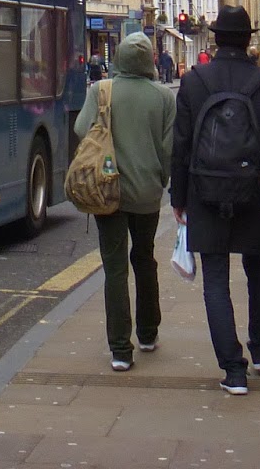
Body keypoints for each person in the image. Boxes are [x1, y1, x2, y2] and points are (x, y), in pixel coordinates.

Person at [171, 6, 260, 395]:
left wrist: (178, 197)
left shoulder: (194, 81)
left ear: (216, 38)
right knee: (258, 268)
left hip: (204, 189)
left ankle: (233, 370)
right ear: (247, 40)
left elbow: (181, 143)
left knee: (215, 280)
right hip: (251, 189)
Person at [74, 32, 176, 372]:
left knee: (115, 268)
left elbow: (81, 129)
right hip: (147, 193)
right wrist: (161, 180)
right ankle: (148, 332)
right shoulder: (164, 96)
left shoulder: (100, 90)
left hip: (107, 191)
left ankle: (120, 349)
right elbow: (169, 149)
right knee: (145, 258)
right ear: (149, 60)